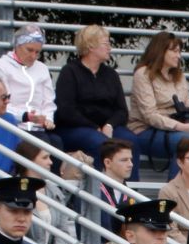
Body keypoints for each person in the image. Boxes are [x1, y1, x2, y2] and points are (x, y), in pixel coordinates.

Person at [127, 30, 189, 183]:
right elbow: (149, 115)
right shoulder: (143, 74)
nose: (178, 56)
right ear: (160, 51)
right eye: (174, 51)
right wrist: (183, 127)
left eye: (179, 51)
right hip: (146, 130)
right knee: (186, 141)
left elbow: (188, 106)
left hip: (181, 129)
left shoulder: (179, 76)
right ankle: (175, 197)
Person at [55, 25, 137, 178]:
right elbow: (66, 110)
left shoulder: (111, 74)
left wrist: (109, 125)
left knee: (130, 141)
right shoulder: (70, 72)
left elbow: (121, 110)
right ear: (91, 46)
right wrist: (94, 127)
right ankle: (101, 193)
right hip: (75, 128)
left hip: (106, 128)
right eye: (106, 44)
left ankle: (131, 194)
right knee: (100, 143)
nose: (110, 48)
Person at [0, 24, 59, 150]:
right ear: (17, 46)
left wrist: (48, 119)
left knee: (55, 144)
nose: (33, 56)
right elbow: (0, 103)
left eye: (37, 52)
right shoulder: (1, 66)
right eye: (29, 50)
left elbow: (48, 101)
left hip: (38, 128)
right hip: (12, 126)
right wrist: (24, 116)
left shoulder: (42, 68)